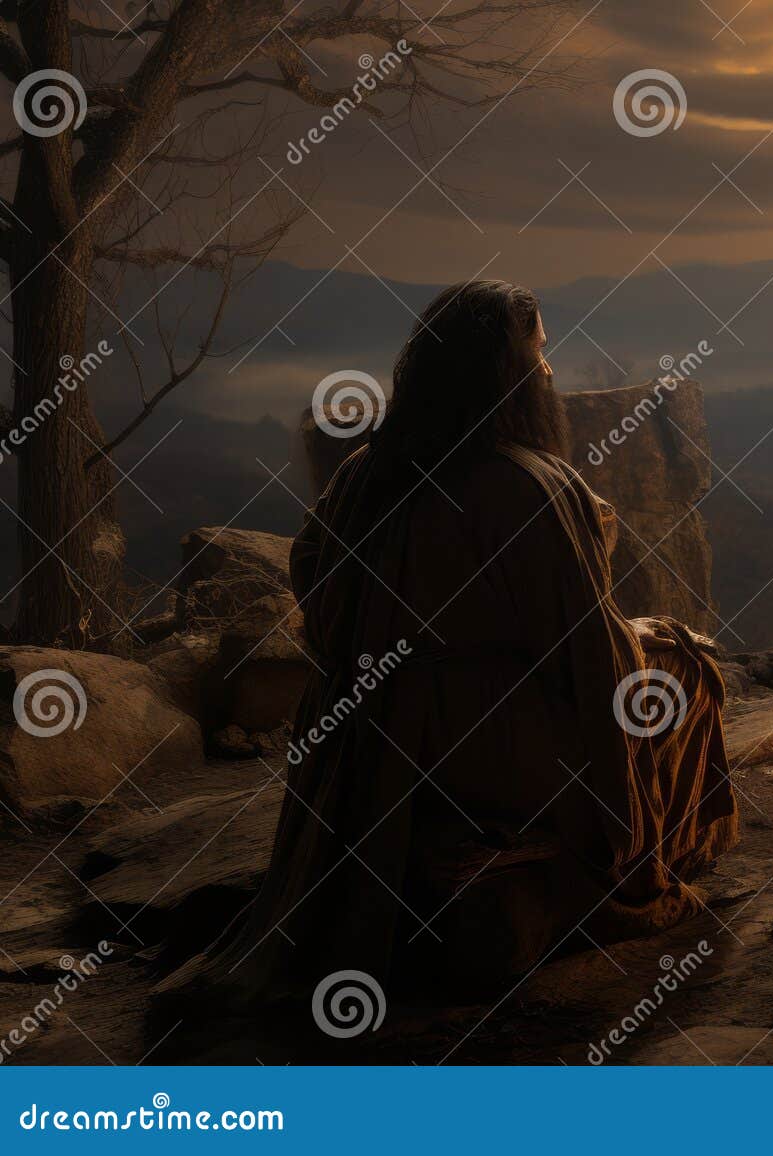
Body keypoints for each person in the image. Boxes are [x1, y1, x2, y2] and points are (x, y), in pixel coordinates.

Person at [158, 280, 737, 1015]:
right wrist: (623, 798)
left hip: (361, 740)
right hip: (482, 743)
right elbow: (590, 654)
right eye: (540, 354)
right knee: (684, 667)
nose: (551, 373)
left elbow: (323, 613)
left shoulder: (361, 474)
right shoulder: (531, 484)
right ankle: (637, 860)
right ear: (509, 375)